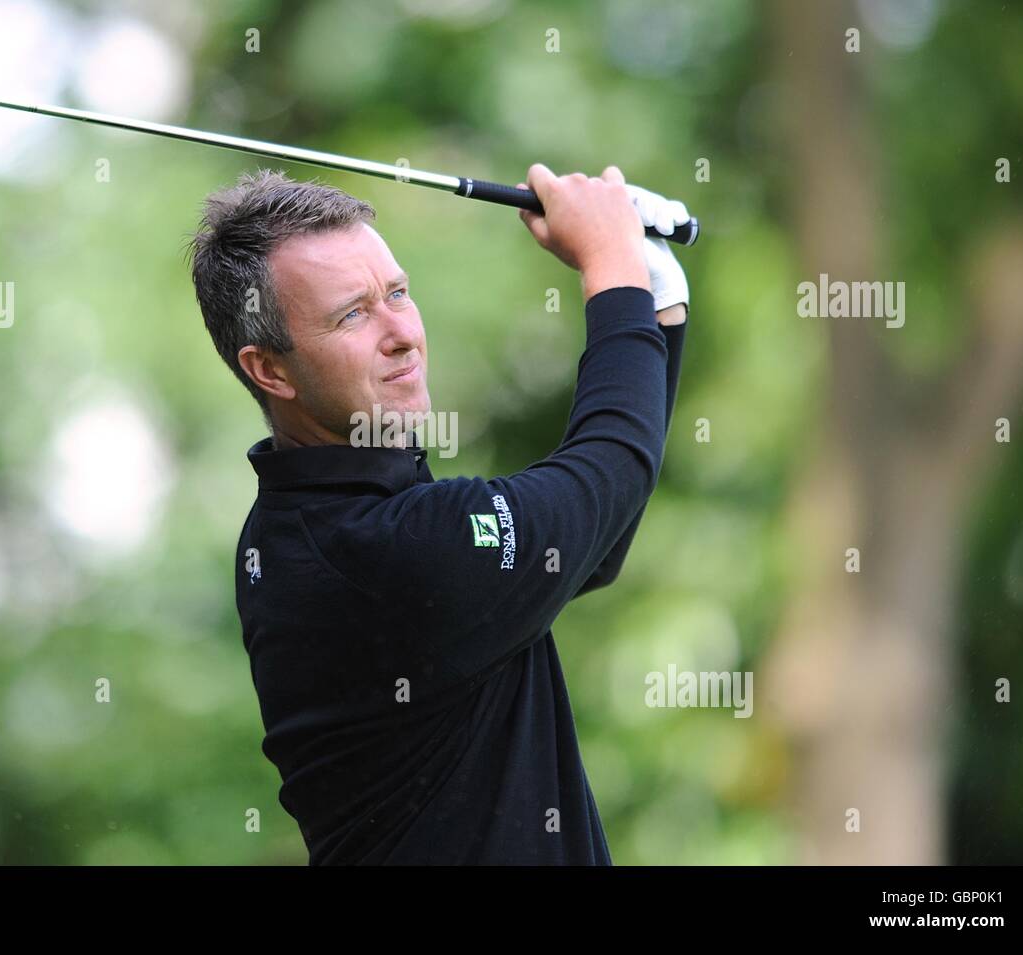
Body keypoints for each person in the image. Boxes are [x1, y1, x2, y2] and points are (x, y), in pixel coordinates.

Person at [188, 163, 690, 864]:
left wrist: (654, 300)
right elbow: (603, 478)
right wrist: (613, 268)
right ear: (271, 370)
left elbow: (590, 544)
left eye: (397, 292)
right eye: (352, 314)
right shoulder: (383, 548)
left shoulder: (310, 522)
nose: (401, 333)